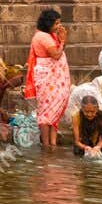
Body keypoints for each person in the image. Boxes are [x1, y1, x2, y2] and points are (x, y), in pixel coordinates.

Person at [26, 8, 71, 147]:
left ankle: (53, 143)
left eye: (59, 23)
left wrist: (63, 39)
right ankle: (46, 145)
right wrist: (62, 41)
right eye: (56, 23)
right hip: (47, 78)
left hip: (54, 79)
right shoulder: (42, 37)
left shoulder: (49, 35)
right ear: (48, 23)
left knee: (53, 112)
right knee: (46, 112)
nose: (59, 26)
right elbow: (56, 54)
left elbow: (59, 50)